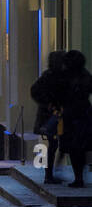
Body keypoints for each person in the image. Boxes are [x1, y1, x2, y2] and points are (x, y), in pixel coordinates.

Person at [31, 52, 66, 183]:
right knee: (54, 145)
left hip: (54, 114)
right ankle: (50, 173)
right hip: (53, 116)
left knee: (55, 145)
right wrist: (49, 104)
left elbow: (35, 91)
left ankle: (51, 173)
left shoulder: (51, 76)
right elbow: (35, 91)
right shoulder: (52, 76)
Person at [59, 51, 92, 187]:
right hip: (77, 114)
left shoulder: (72, 77)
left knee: (77, 148)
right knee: (77, 148)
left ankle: (79, 177)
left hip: (76, 114)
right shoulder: (84, 76)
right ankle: (78, 176)